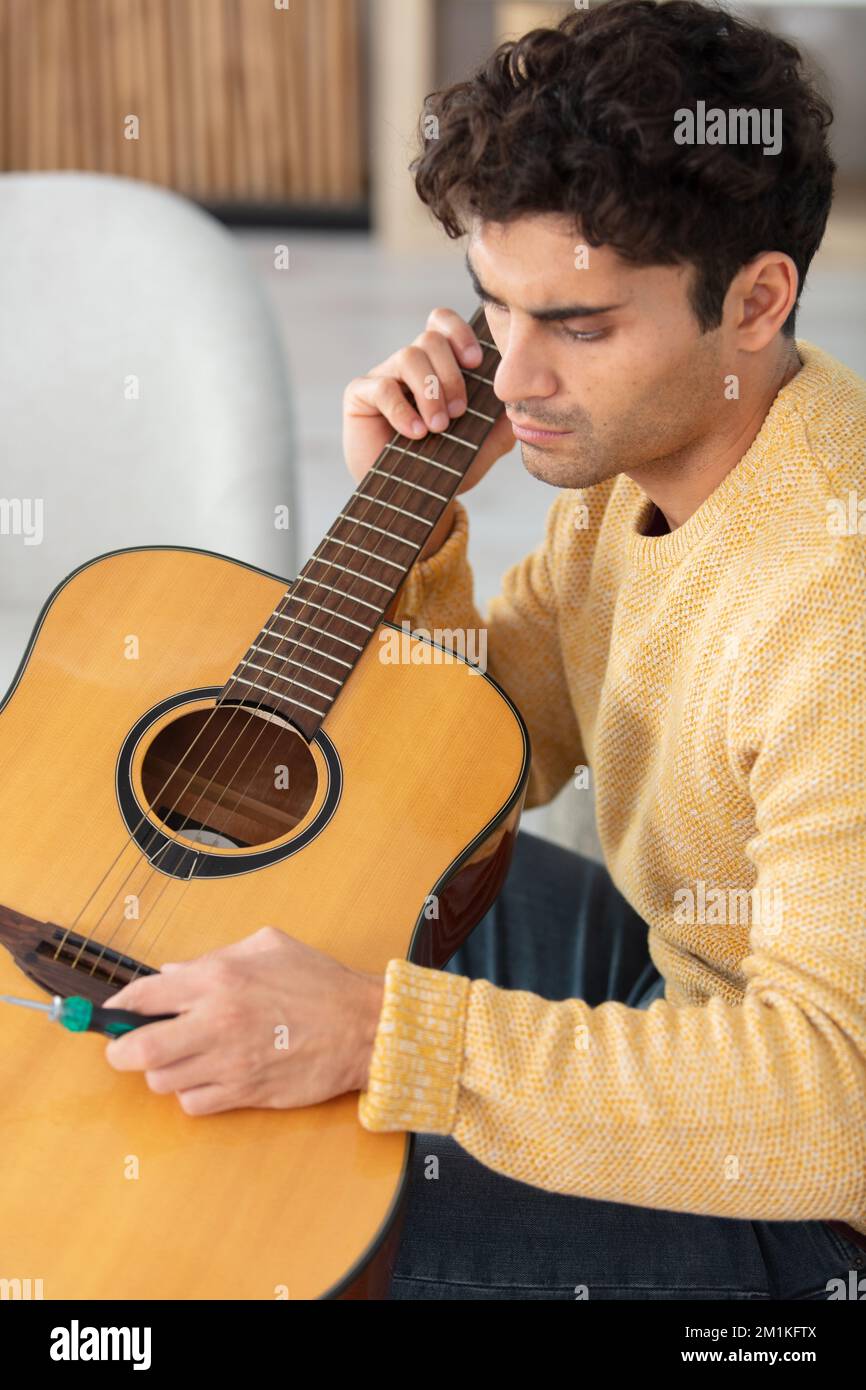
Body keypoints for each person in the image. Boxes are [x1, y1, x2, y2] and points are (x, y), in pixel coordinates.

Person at [105, 0, 866, 1299]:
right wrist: (416, 535)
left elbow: (830, 1110)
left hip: (809, 1211)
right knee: (255, 912)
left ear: (754, 300)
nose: (511, 378)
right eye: (491, 306)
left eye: (576, 324)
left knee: (227, 1236)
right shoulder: (641, 465)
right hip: (671, 969)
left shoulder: (832, 605)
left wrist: (375, 1034)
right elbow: (485, 748)